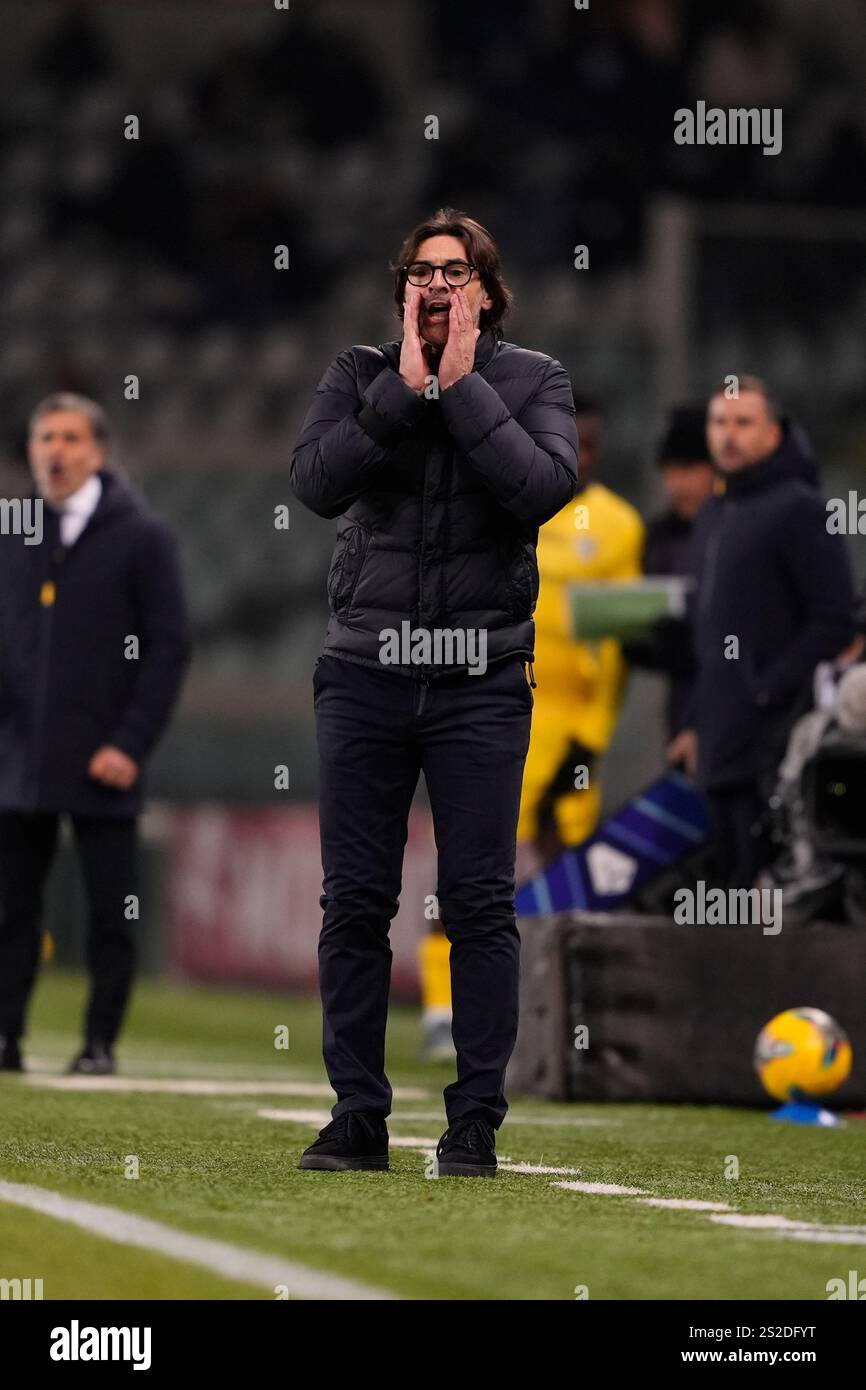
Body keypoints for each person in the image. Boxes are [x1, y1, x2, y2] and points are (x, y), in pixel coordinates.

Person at [290, 208, 578, 1176]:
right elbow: (316, 483)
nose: (436, 285)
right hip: (366, 672)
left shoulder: (534, 378)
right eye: (420, 271)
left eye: (454, 271)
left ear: (486, 292)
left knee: (477, 902)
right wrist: (404, 394)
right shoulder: (357, 375)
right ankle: (357, 1117)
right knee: (355, 901)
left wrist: (457, 391)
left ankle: (472, 1126)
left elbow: (541, 488)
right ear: (400, 288)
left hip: (479, 678)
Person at [0, 393, 190, 1074]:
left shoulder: (142, 536)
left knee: (112, 912)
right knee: (11, 911)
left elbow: (168, 649)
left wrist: (130, 743)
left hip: (104, 757)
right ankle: (6, 1038)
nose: (55, 451)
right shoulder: (12, 530)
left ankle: (100, 1043)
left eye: (71, 438)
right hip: (18, 759)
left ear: (99, 452)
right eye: (45, 437)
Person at [667, 377, 855, 889]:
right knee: (725, 890)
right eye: (720, 423)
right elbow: (711, 634)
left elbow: (834, 618)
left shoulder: (800, 509)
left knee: (770, 896)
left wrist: (767, 688)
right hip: (720, 745)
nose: (729, 435)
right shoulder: (712, 515)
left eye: (744, 423)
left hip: (776, 745)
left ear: (773, 434)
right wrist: (695, 720)